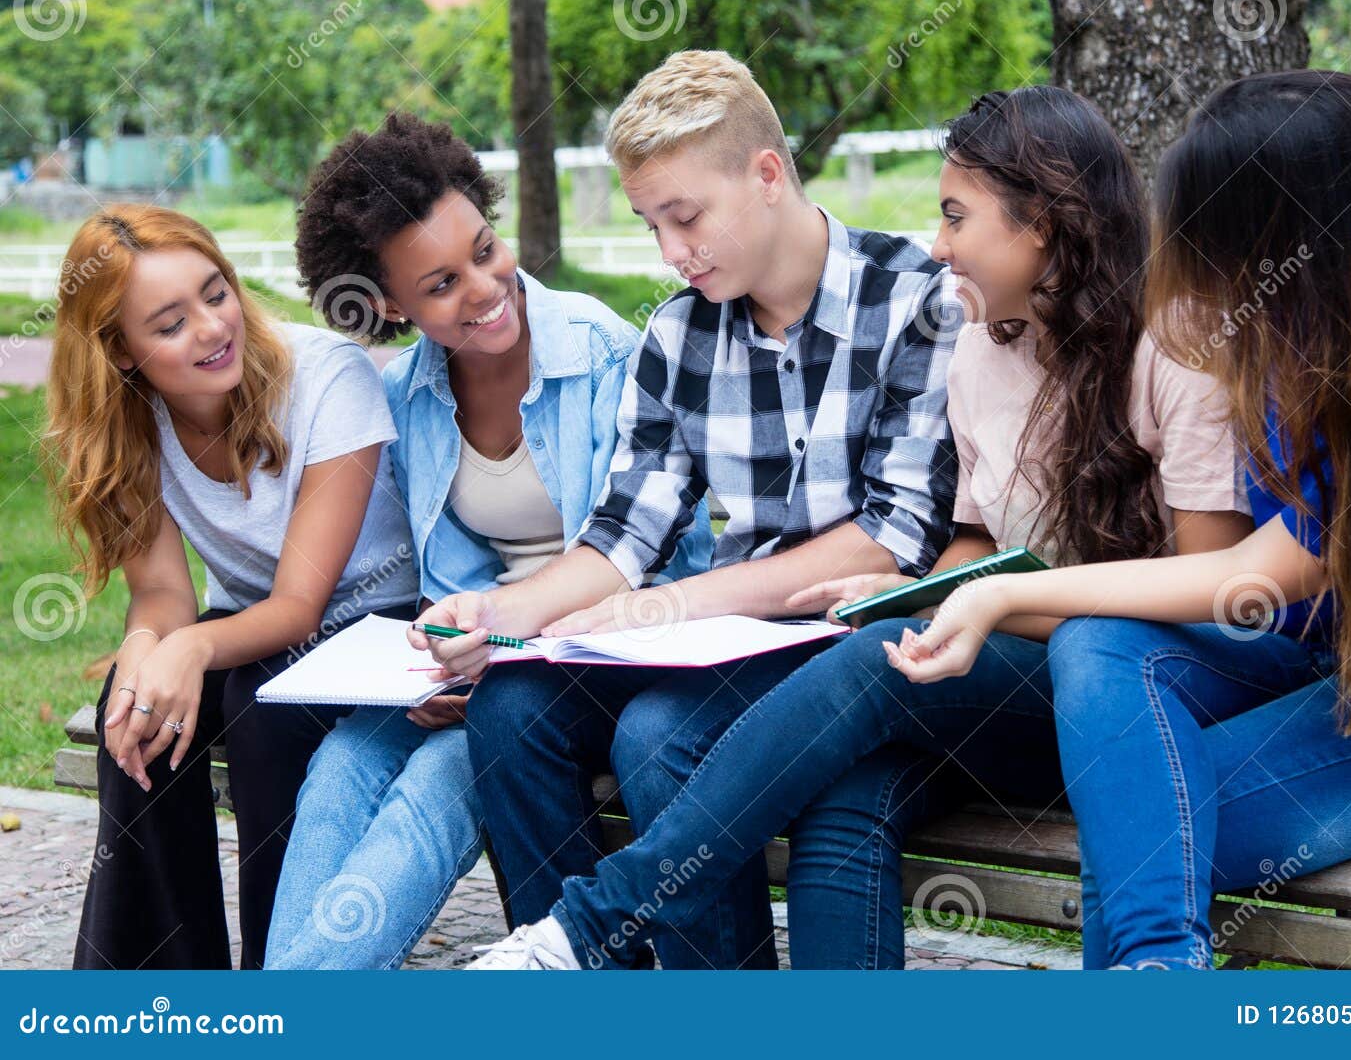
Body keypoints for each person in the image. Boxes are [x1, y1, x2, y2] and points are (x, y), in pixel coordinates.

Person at [463, 86, 1255, 970]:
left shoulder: (1123, 341)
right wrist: (923, 592)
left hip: (1093, 689)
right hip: (953, 660)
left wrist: (976, 597)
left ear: (1046, 222)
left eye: (956, 215)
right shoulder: (986, 345)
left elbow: (1204, 588)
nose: (940, 242)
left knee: (742, 707)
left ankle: (591, 923)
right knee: (830, 794)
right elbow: (966, 542)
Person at [894, 70, 1351, 969]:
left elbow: (1258, 573)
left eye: (1215, 242)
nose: (1197, 268)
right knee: (1101, 657)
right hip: (1346, 670)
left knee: (1149, 833)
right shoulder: (1301, 341)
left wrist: (996, 599)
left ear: (1292, 237)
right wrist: (995, 591)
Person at [413, 49, 959, 969]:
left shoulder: (915, 300)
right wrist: (496, 617)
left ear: (768, 173)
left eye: (686, 217)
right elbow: (626, 533)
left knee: (660, 731)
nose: (671, 251)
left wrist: (670, 605)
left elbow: (892, 542)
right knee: (509, 705)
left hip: (856, 644)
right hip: (733, 643)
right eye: (649, 223)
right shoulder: (678, 332)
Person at [263, 112, 710, 969]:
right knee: (340, 767)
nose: (483, 285)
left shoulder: (608, 354)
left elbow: (658, 555)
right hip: (480, 658)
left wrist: (501, 648)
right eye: (439, 285)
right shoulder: (407, 399)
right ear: (390, 303)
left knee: (437, 784)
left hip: (607, 657)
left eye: (484, 248)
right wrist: (433, 662)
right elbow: (439, 579)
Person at [45, 206, 419, 969]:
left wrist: (188, 646)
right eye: (171, 323)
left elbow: (300, 606)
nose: (213, 329)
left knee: (259, 705)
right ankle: (158, 981)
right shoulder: (132, 420)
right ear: (121, 351)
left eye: (215, 294)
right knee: (135, 699)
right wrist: (151, 656)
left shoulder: (325, 377)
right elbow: (160, 600)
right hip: (259, 631)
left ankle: (280, 982)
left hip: (381, 623)